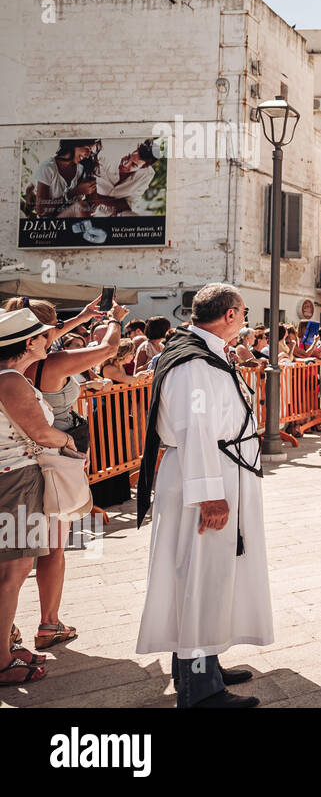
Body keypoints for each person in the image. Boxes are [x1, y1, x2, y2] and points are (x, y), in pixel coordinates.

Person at [135, 284, 271, 708]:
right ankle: (200, 691)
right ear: (230, 314)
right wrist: (210, 495)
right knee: (198, 579)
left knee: (210, 578)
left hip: (216, 471)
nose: (246, 319)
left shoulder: (201, 351)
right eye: (244, 312)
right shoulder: (193, 363)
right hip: (205, 479)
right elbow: (195, 430)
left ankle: (204, 663)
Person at [5, 296, 130, 641]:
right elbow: (107, 350)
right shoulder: (49, 364)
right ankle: (48, 622)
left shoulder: (17, 364)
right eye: (51, 327)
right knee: (49, 547)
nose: (56, 331)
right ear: (36, 337)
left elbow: (49, 335)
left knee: (12, 554)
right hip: (49, 460)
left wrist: (82, 317)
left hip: (23, 461)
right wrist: (114, 321)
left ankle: (7, 627)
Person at [0, 308, 82, 685]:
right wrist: (69, 442)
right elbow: (41, 432)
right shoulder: (11, 380)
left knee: (11, 571)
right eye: (44, 336)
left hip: (12, 477)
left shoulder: (11, 377)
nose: (49, 340)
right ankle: (1, 660)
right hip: (15, 479)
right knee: (12, 573)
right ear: (28, 343)